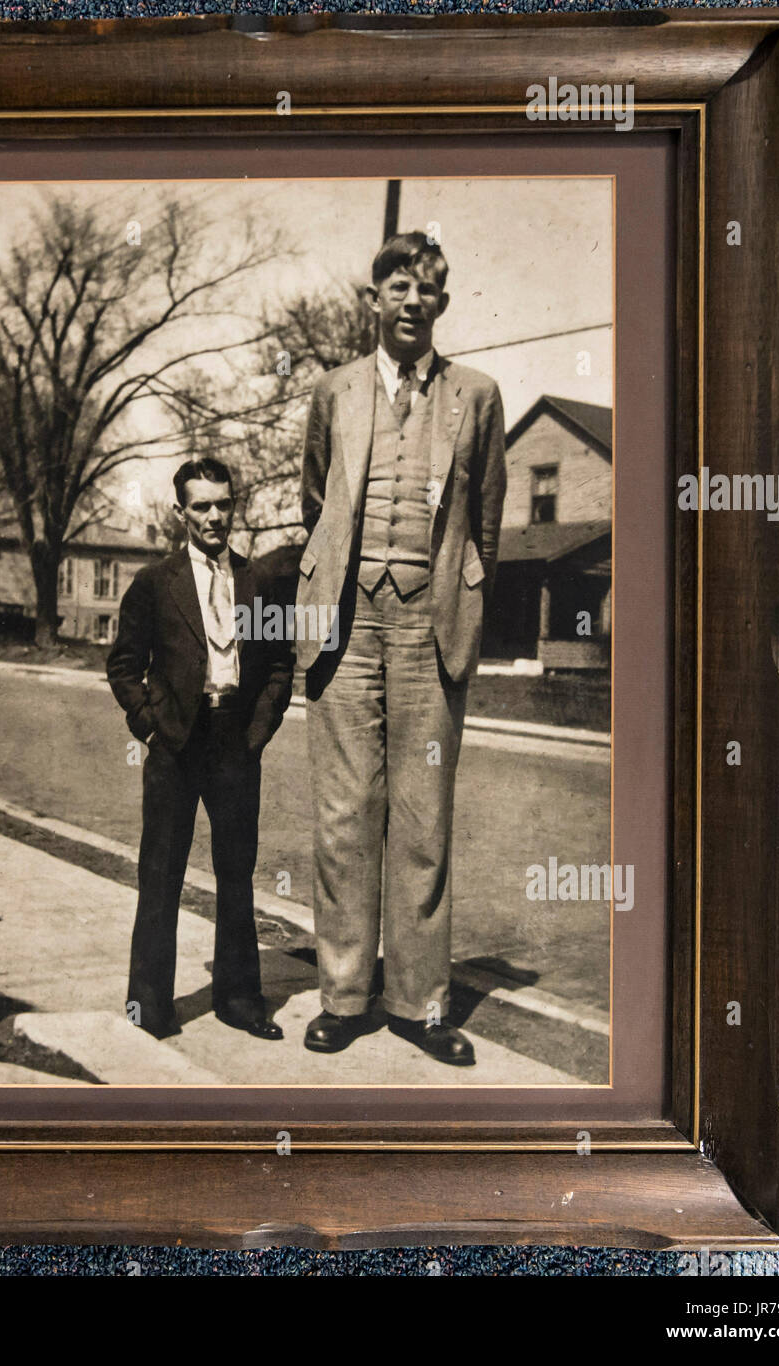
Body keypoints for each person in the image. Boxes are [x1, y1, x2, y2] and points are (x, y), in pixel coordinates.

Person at [295, 231, 507, 1066]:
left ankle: (421, 1005)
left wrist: (461, 589)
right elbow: (318, 497)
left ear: (442, 305)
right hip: (346, 628)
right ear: (374, 297)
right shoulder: (333, 390)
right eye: (399, 284)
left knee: (422, 823)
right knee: (345, 820)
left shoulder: (478, 396)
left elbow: (485, 518)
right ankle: (344, 998)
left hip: (430, 627)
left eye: (429, 288)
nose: (414, 299)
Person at [107, 457, 294, 1042]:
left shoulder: (257, 580)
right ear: (180, 512)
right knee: (160, 872)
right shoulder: (154, 583)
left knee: (236, 873)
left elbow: (280, 664)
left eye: (223, 504)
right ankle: (150, 1005)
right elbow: (123, 665)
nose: (215, 516)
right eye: (202, 506)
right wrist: (152, 726)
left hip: (235, 741)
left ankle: (239, 998)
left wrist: (259, 731)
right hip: (176, 745)